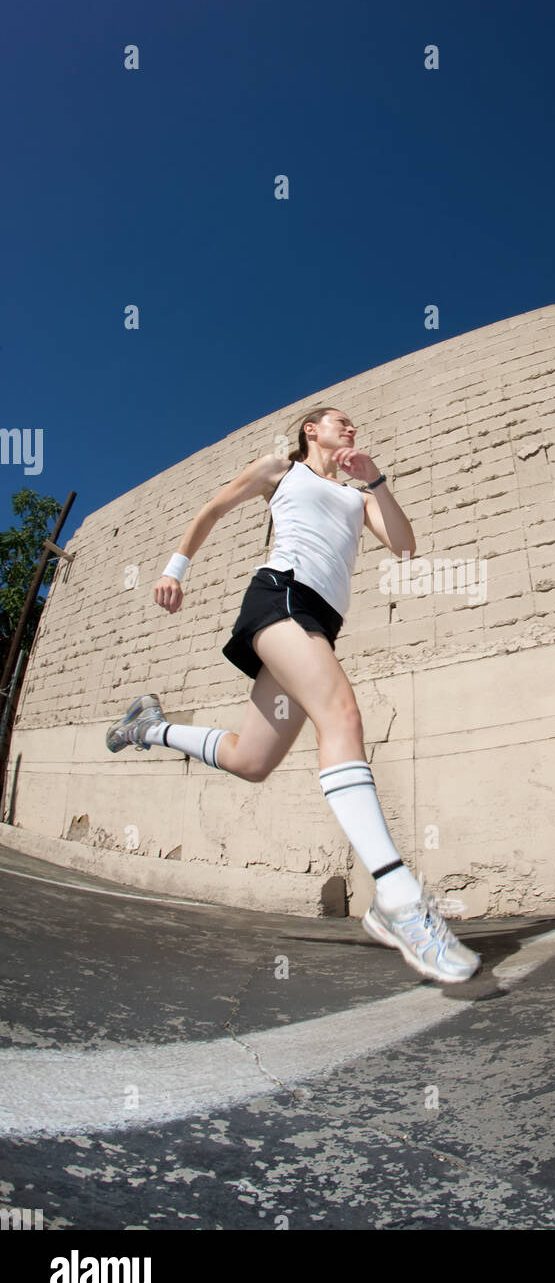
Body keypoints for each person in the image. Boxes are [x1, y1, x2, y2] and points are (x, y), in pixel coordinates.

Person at [105, 407, 480, 984]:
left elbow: (404, 547)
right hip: (280, 598)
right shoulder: (281, 470)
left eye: (354, 422)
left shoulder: (358, 498)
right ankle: (397, 896)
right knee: (341, 714)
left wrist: (375, 478)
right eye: (339, 421)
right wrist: (174, 569)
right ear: (312, 430)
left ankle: (146, 728)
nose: (350, 427)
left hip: (319, 622)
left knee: (250, 760)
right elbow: (213, 508)